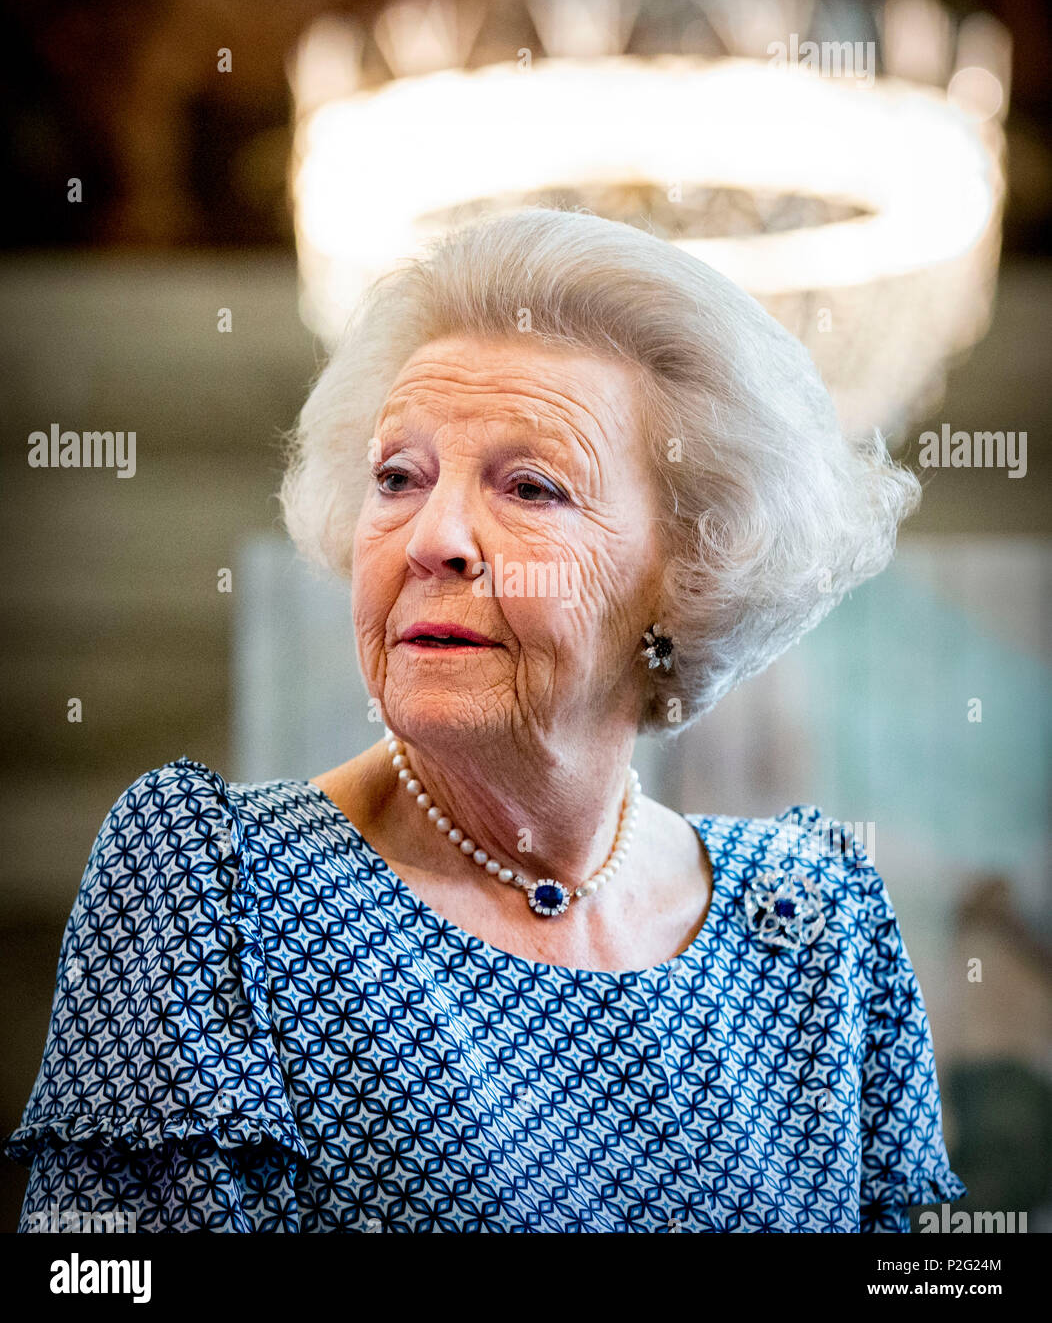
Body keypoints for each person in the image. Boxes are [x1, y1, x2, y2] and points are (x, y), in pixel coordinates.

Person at [5, 207, 966, 1232]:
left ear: (688, 572)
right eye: (397, 478)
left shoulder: (812, 920)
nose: (434, 537)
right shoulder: (213, 886)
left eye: (529, 486)